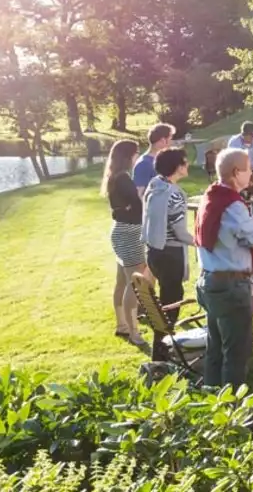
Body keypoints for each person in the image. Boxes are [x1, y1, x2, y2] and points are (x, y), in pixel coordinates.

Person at [195, 148, 253, 389]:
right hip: (230, 285)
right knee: (237, 352)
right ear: (237, 172)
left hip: (211, 280)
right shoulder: (233, 206)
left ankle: (212, 402)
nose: (252, 173)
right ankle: (232, 414)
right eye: (249, 169)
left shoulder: (210, 196)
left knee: (215, 347)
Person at [141, 147, 193, 360]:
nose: (188, 165)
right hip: (171, 255)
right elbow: (180, 232)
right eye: (185, 162)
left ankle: (161, 350)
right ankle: (162, 355)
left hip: (154, 252)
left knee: (163, 302)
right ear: (178, 167)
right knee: (170, 306)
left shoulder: (155, 187)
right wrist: (201, 242)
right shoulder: (174, 195)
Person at [103, 138, 147, 347]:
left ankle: (122, 325)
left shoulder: (115, 177)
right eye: (136, 153)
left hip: (120, 231)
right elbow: (137, 206)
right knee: (134, 283)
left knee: (122, 281)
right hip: (129, 233)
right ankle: (133, 331)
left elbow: (125, 207)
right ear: (128, 156)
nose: (137, 156)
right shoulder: (124, 179)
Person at [133, 123, 175, 196]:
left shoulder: (161, 160)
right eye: (170, 139)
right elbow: (138, 194)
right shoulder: (144, 163)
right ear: (162, 140)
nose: (172, 142)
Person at [228, 122, 253, 194]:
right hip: (240, 171)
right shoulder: (234, 143)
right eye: (251, 136)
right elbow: (234, 163)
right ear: (243, 135)